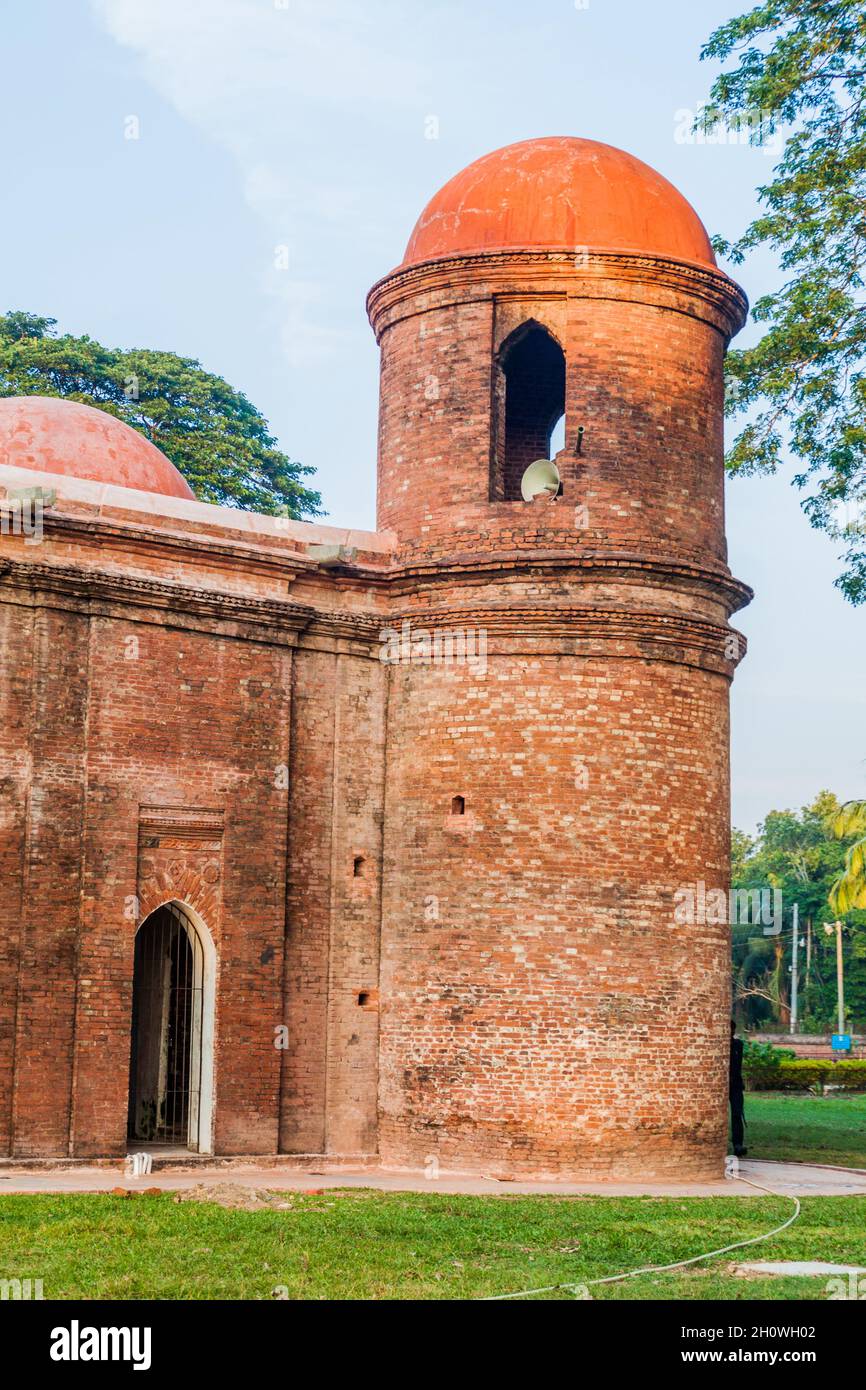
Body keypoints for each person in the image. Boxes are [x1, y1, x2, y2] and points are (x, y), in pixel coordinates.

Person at [729, 1018, 747, 1157]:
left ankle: (738, 1144)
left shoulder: (737, 1045)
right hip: (724, 1084)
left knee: (737, 1114)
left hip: (735, 1084)